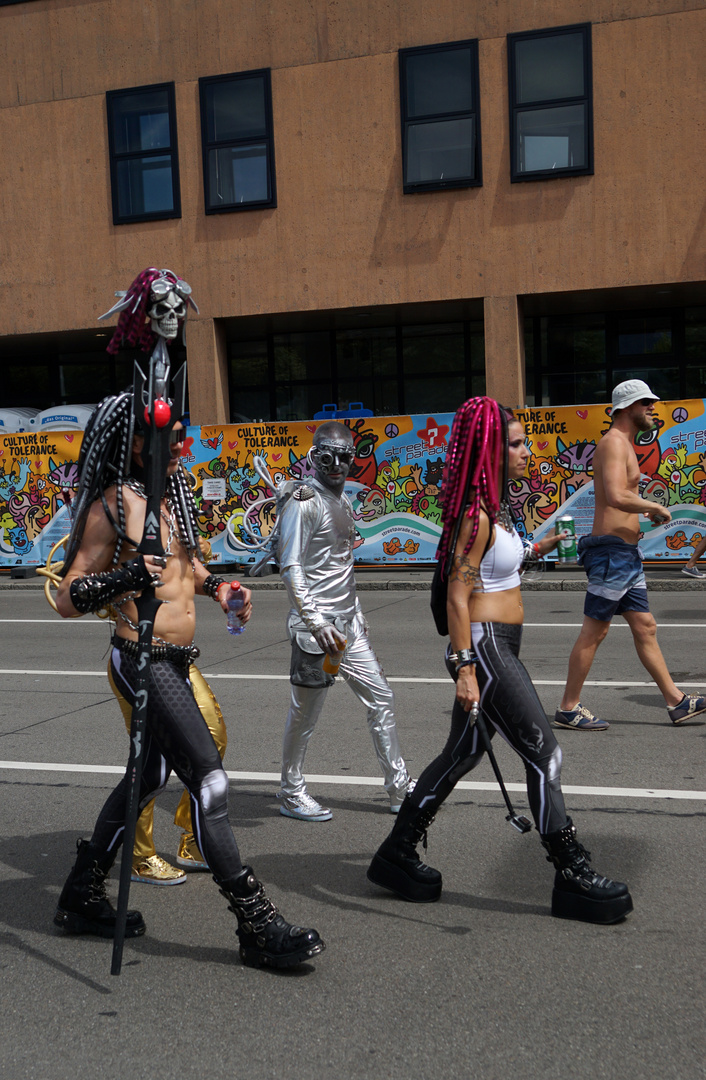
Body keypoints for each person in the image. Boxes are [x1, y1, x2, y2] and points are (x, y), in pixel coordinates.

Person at [51, 270, 324, 970]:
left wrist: (221, 588)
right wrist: (119, 577)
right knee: (209, 778)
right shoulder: (111, 504)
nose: (181, 447)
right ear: (136, 435)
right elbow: (65, 594)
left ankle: (81, 891)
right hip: (137, 655)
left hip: (178, 655)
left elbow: (186, 572)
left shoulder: (170, 494)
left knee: (144, 780)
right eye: (167, 437)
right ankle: (255, 923)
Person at [367, 396, 633, 925]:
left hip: (498, 646)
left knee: (461, 755)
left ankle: (396, 853)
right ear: (489, 448)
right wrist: (466, 669)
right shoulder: (475, 514)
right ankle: (570, 872)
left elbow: (495, 568)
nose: (526, 451)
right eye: (514, 443)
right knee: (545, 753)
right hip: (485, 648)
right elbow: (458, 598)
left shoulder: (494, 507)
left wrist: (533, 549)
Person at [275, 421, 413, 820]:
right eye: (326, 456)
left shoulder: (341, 500)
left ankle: (399, 788)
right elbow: (291, 566)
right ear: (312, 456)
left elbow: (339, 564)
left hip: (347, 625)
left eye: (345, 457)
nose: (336, 465)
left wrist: (357, 612)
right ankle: (290, 790)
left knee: (381, 698)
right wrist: (317, 622)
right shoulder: (305, 500)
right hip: (316, 631)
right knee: (305, 716)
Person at [555, 379, 706, 730]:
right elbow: (615, 495)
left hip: (624, 552)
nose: (653, 408)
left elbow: (623, 498)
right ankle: (568, 707)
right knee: (595, 631)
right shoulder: (612, 443)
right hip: (610, 553)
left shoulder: (624, 444)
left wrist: (645, 512)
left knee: (645, 626)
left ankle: (677, 702)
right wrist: (654, 505)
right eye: (646, 403)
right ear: (626, 408)